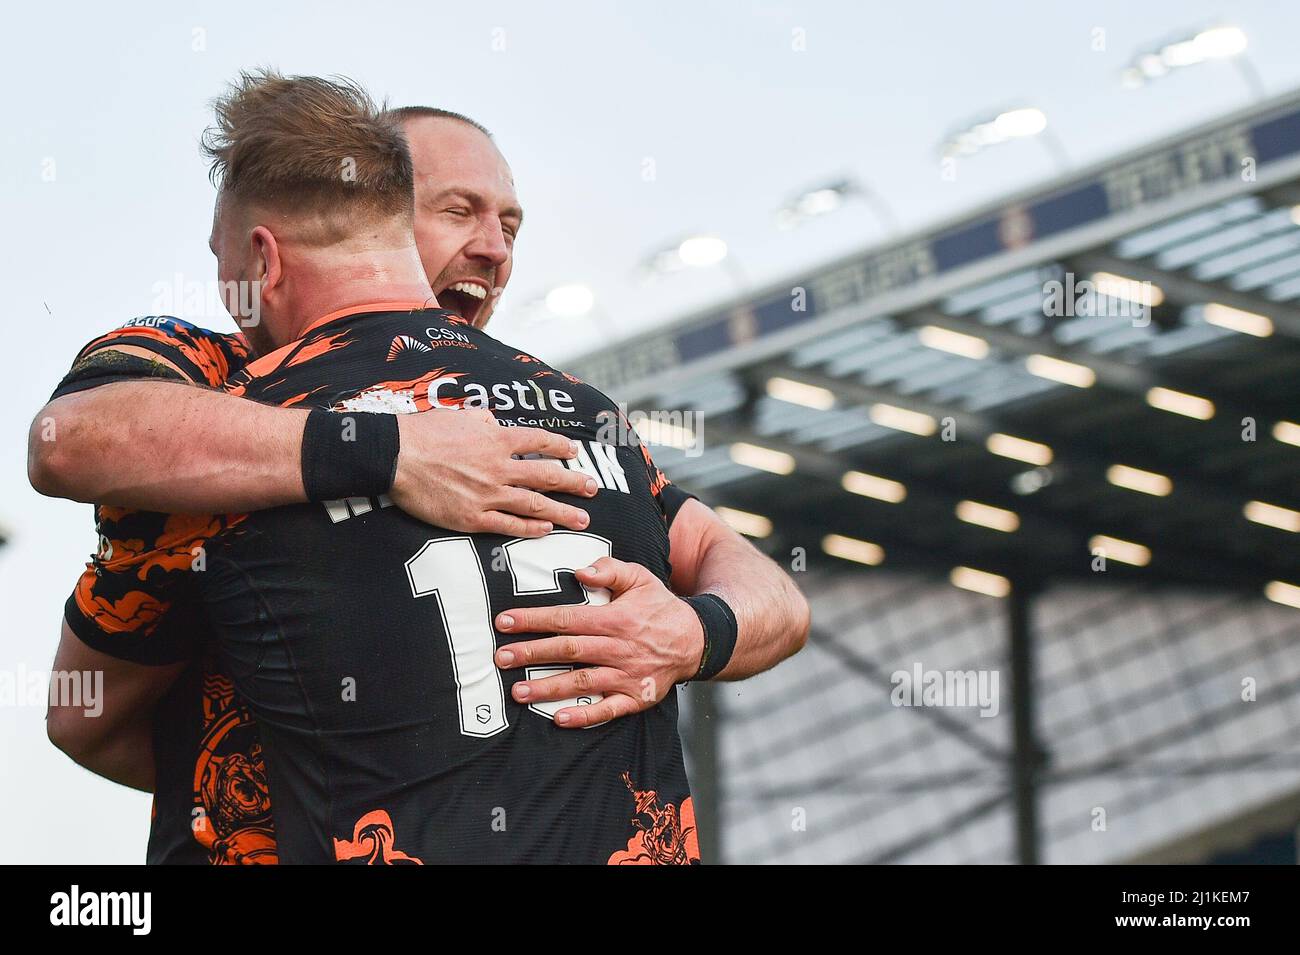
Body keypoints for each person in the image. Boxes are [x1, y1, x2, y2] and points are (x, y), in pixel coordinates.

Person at [36, 72, 809, 863]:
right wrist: (391, 451)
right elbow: (74, 439)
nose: (495, 247)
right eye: (459, 210)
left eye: (511, 223)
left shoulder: (556, 414)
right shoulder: (202, 381)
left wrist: (694, 631)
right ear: (382, 216)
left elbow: (767, 589)